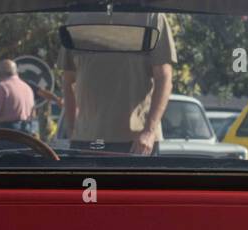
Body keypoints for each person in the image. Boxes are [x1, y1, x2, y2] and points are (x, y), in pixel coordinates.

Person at [61, 12, 176, 154]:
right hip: (85, 141)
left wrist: (149, 132)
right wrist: (72, 130)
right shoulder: (77, 18)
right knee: (88, 178)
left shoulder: (151, 17)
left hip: (136, 143)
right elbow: (68, 80)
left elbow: (164, 78)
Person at [0, 59, 36, 136]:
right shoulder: (27, 88)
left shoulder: (2, 86)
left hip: (7, 133)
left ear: (0, 72)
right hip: (26, 132)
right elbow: (33, 113)